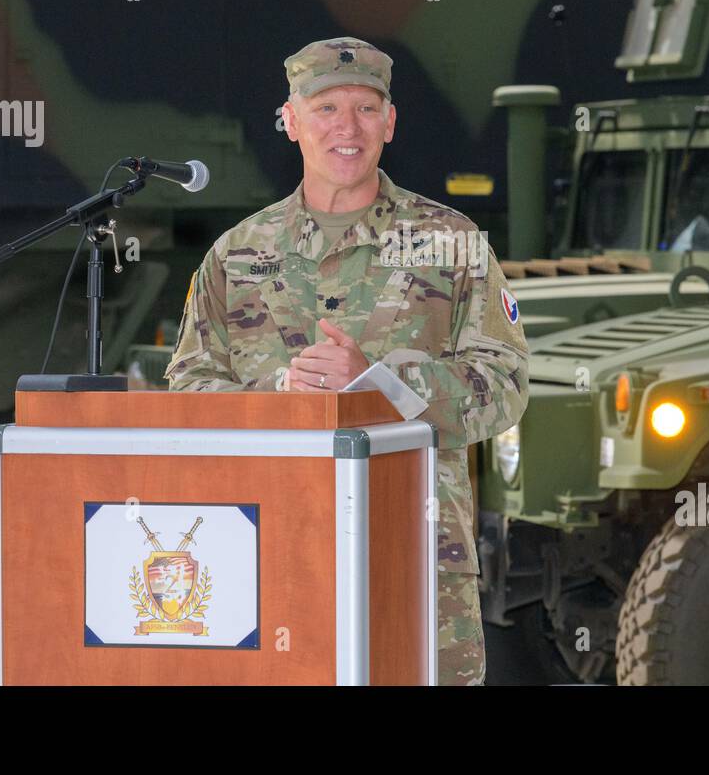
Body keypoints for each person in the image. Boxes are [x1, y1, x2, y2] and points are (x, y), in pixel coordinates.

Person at [165, 36, 529, 684]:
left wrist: (379, 383)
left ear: (390, 123)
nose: (347, 127)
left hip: (414, 554)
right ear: (292, 120)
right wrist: (279, 392)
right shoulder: (236, 254)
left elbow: (504, 387)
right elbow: (188, 390)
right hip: (268, 548)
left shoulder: (453, 244)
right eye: (327, 107)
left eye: (365, 108)